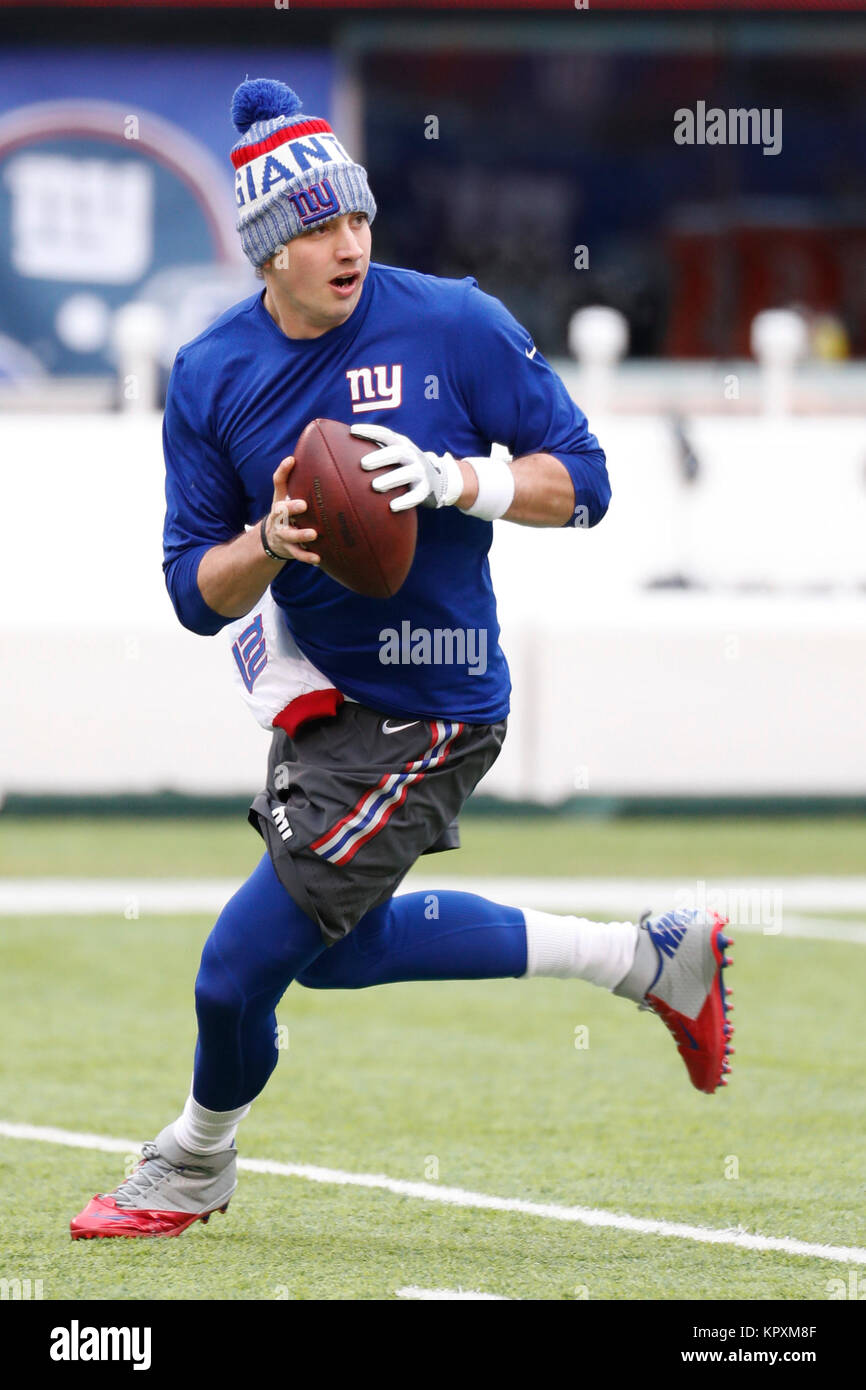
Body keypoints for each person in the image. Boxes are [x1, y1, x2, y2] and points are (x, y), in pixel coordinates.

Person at [70, 78, 733, 1241]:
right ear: (268, 249)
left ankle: (191, 1162)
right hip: (324, 705)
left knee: (234, 968)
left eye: (358, 217)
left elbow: (587, 482)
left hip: (433, 701)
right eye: (319, 226)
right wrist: (268, 543)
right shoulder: (212, 373)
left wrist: (454, 478)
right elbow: (190, 591)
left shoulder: (452, 322)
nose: (349, 243)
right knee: (334, 952)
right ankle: (647, 961)